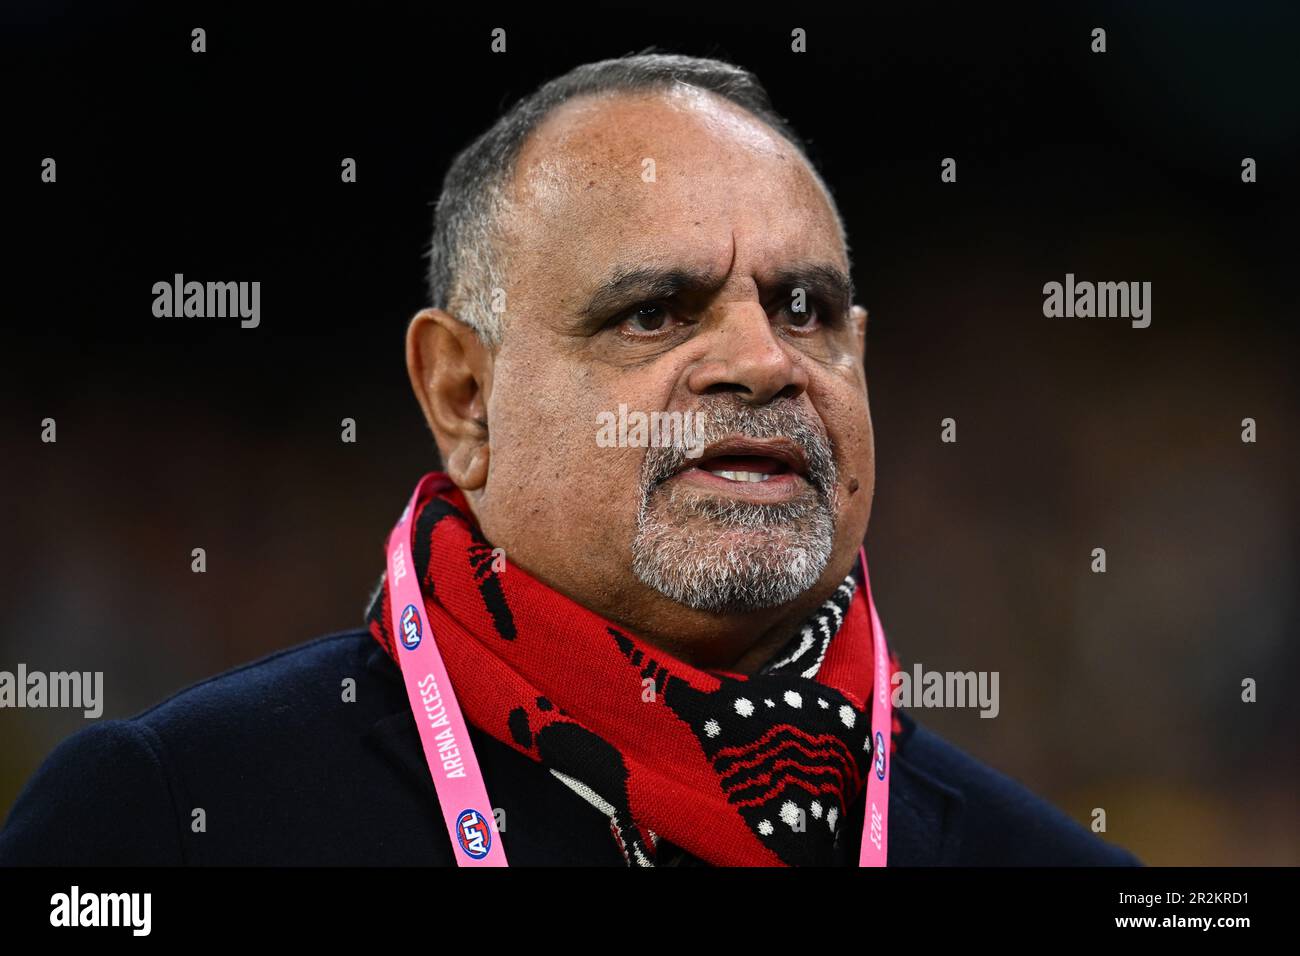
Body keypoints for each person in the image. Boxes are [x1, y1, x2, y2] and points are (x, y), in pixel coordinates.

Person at [0, 52, 1139, 867]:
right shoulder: (177, 815)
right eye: (652, 312)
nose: (762, 360)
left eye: (806, 309)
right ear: (464, 393)